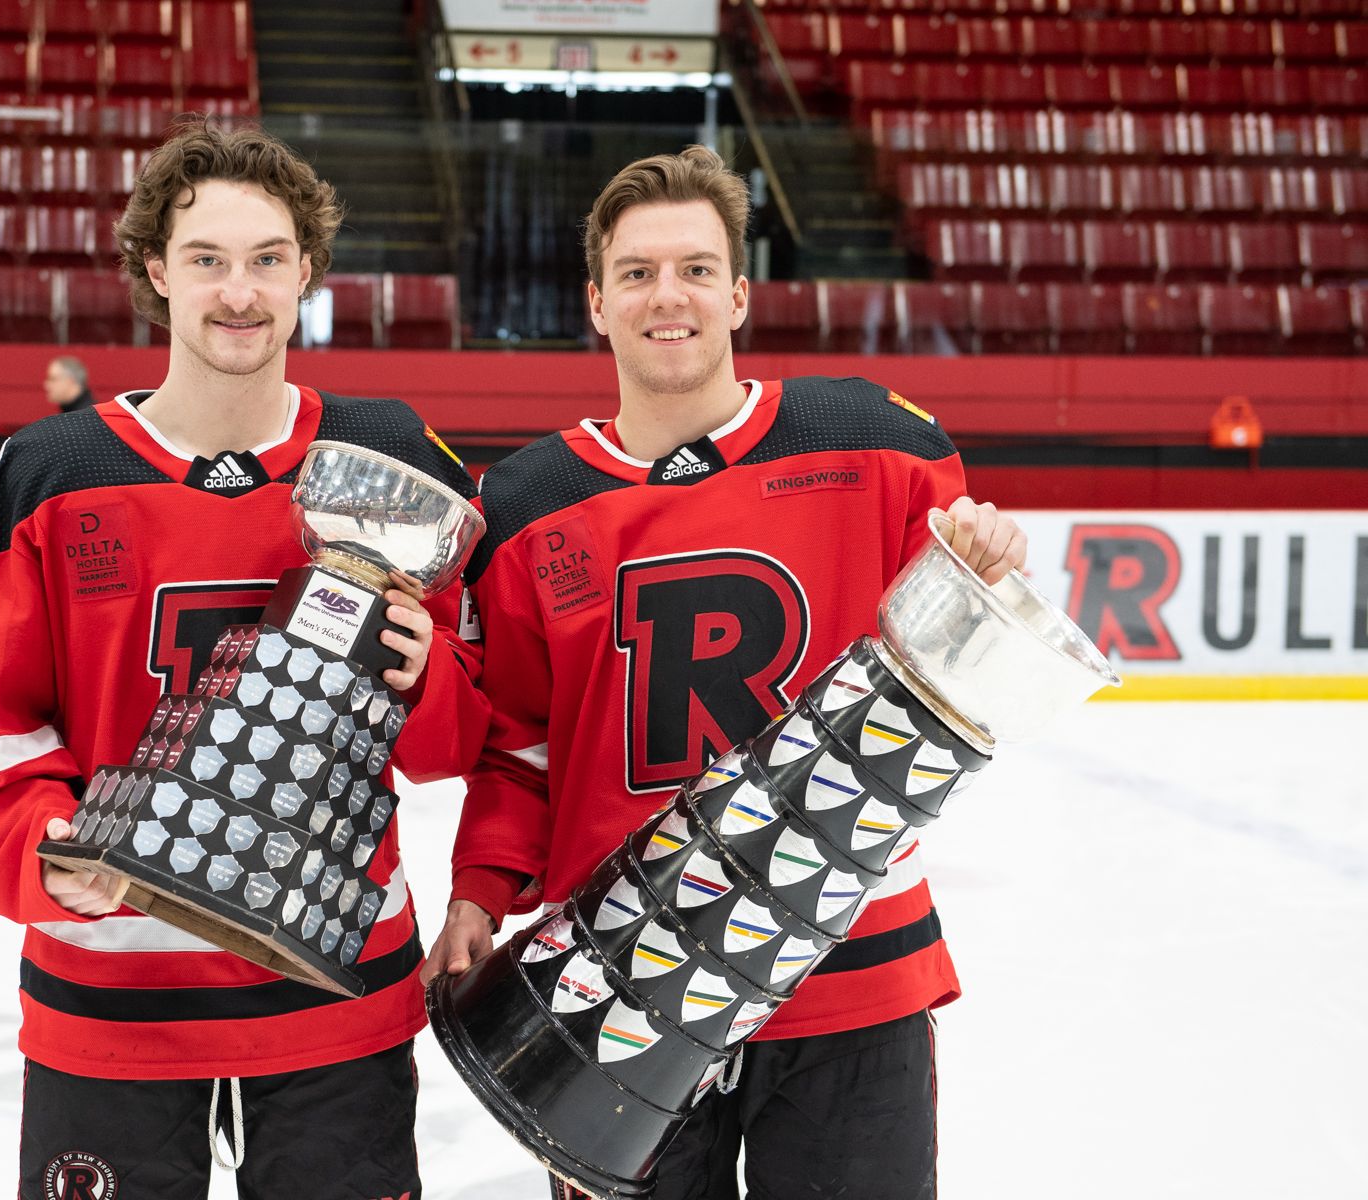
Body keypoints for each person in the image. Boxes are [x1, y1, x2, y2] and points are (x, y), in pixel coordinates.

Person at [424, 146, 1027, 1200]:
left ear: (740, 294)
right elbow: (518, 745)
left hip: (847, 968)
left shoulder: (875, 445)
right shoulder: (523, 506)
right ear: (597, 302)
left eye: (698, 270)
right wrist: (478, 894)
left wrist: (978, 576)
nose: (672, 296)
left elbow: (949, 676)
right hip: (624, 977)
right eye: (642, 272)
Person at [0, 120, 488, 1200]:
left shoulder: (392, 459)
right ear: (156, 270)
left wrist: (425, 679)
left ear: (306, 274)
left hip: (339, 993)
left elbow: (458, 739)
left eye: (268, 260)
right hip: (113, 999)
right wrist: (50, 855)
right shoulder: (48, 473)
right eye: (208, 260)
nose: (240, 292)